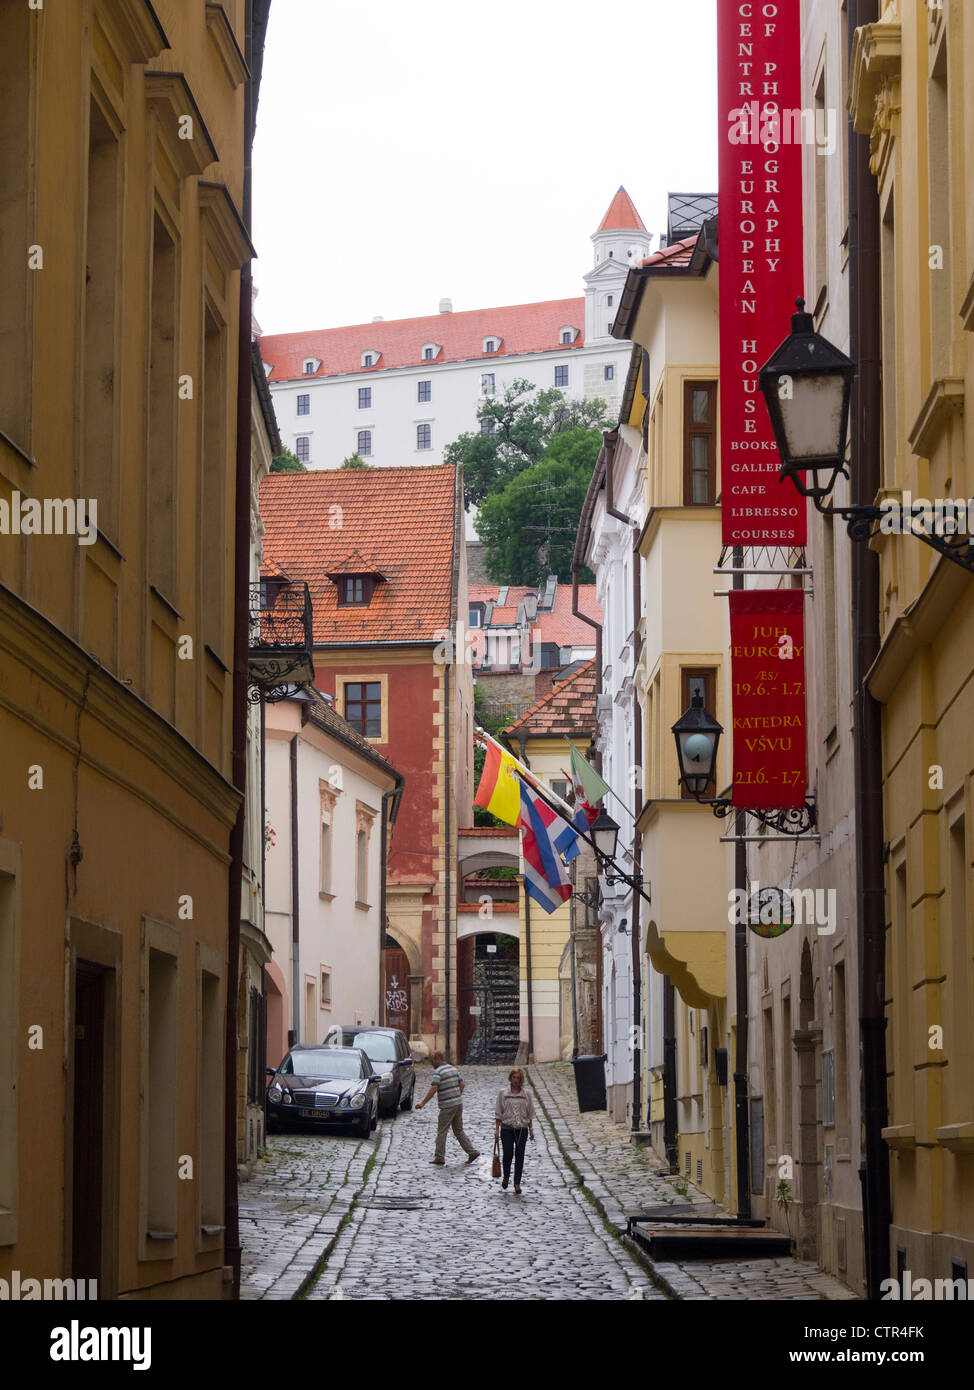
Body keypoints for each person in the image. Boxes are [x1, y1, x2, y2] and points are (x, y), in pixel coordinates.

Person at [415, 1051, 480, 1166]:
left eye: (432, 1061)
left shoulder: (438, 1072)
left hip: (447, 1106)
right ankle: (472, 1152)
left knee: (442, 1131)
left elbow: (434, 1088)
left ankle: (439, 1157)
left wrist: (423, 1103)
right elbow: (462, 1084)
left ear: (437, 1059)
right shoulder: (453, 1068)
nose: (431, 1064)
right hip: (458, 1104)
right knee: (458, 1130)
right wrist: (456, 1096)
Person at [494, 1067, 534, 1193]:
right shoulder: (503, 1093)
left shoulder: (526, 1094)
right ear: (510, 1078)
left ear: (521, 1080)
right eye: (514, 1077)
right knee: (508, 1154)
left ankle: (517, 1183)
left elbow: (530, 1113)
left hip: (522, 1129)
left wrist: (531, 1129)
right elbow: (498, 1112)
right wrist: (496, 1129)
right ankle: (506, 1176)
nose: (516, 1080)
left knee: (520, 1155)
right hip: (507, 1128)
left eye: (518, 1078)